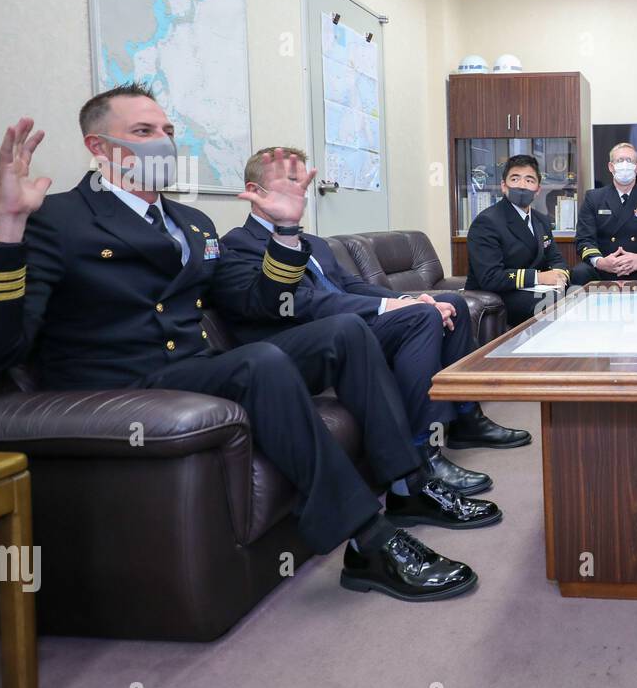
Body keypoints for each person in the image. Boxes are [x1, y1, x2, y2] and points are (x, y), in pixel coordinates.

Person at [0, 84, 483, 602]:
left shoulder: (192, 221)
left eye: (167, 128)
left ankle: (409, 484)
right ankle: (369, 538)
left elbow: (269, 304)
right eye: (143, 129)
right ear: (99, 147)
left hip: (193, 368)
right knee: (261, 362)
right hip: (121, 381)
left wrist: (287, 233)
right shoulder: (56, 219)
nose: (163, 140)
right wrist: (4, 226)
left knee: (344, 330)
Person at [221, 146, 531, 497]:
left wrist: (408, 298)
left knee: (449, 303)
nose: (300, 188)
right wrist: (393, 307)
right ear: (255, 190)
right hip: (312, 340)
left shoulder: (314, 244)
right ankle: (422, 452)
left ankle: (465, 419)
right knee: (422, 318)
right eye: (289, 180)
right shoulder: (238, 244)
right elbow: (302, 302)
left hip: (349, 325)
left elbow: (351, 285)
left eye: (301, 180)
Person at [465, 153, 570, 327]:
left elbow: (556, 259)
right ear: (503, 186)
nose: (522, 185)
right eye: (515, 179)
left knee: (576, 292)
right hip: (497, 293)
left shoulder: (541, 220)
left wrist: (560, 275)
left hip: (530, 290)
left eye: (529, 180)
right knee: (550, 303)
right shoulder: (487, 222)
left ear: (537, 190)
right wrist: (540, 277)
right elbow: (490, 277)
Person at [571, 142, 637, 286]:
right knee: (580, 272)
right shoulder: (593, 198)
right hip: (603, 268)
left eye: (629, 161)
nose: (624, 165)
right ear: (611, 167)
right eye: (619, 161)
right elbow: (584, 239)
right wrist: (601, 262)